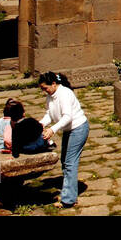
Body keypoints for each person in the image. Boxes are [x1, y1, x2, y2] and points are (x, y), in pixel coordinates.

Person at [38, 71, 89, 208]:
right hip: (68, 130)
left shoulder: (65, 94)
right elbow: (50, 114)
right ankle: (69, 191)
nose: (44, 91)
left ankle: (68, 199)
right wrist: (41, 124)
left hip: (78, 129)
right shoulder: (51, 96)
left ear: (53, 84)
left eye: (45, 88)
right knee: (65, 161)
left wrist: (52, 130)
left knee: (70, 163)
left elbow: (67, 117)